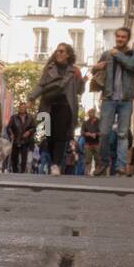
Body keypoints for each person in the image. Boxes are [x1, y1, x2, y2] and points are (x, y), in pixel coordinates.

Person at [30, 42, 82, 175]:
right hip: (48, 105)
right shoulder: (49, 68)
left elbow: (79, 90)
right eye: (57, 51)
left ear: (68, 55)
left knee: (61, 136)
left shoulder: (74, 71)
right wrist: (32, 97)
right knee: (47, 136)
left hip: (65, 106)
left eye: (62, 51)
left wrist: (82, 80)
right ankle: (53, 161)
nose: (58, 53)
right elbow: (41, 85)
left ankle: (56, 164)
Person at [93, 27, 134, 176]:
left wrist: (117, 54)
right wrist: (95, 67)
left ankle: (120, 166)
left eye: (123, 37)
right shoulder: (106, 54)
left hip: (126, 99)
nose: (120, 39)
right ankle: (103, 163)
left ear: (128, 39)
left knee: (123, 134)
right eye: (118, 36)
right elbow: (96, 71)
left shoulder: (132, 54)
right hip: (108, 98)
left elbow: (131, 66)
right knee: (104, 133)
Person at [6, 102, 36, 173]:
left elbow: (34, 127)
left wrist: (29, 132)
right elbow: (9, 127)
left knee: (24, 158)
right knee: (14, 157)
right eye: (20, 107)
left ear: (26, 109)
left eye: (23, 108)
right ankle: (15, 171)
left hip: (25, 141)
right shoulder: (14, 117)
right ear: (18, 108)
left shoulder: (30, 117)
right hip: (16, 140)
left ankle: (22, 172)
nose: (21, 109)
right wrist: (11, 134)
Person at [81, 107, 101, 175]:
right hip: (88, 143)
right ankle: (87, 172)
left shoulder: (99, 122)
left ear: (94, 113)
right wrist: (88, 134)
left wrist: (96, 134)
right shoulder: (85, 123)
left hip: (97, 143)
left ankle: (97, 172)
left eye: (91, 113)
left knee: (98, 159)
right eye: (89, 113)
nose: (90, 114)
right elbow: (82, 132)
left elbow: (102, 132)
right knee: (87, 159)